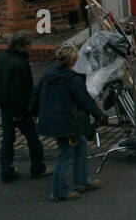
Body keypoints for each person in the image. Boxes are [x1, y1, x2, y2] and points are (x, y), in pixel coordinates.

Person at [34, 44, 110, 202]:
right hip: (67, 122)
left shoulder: (49, 73)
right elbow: (85, 101)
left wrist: (33, 111)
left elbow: (37, 92)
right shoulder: (72, 79)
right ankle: (60, 191)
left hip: (55, 119)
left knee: (80, 145)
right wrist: (99, 115)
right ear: (73, 61)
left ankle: (82, 181)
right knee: (65, 154)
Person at [0, 30, 47, 183]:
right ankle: (38, 167)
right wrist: (30, 110)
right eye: (29, 44)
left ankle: (6, 170)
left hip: (5, 106)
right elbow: (21, 91)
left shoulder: (2, 56)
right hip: (19, 110)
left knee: (7, 139)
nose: (31, 47)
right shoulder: (20, 64)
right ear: (23, 46)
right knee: (33, 139)